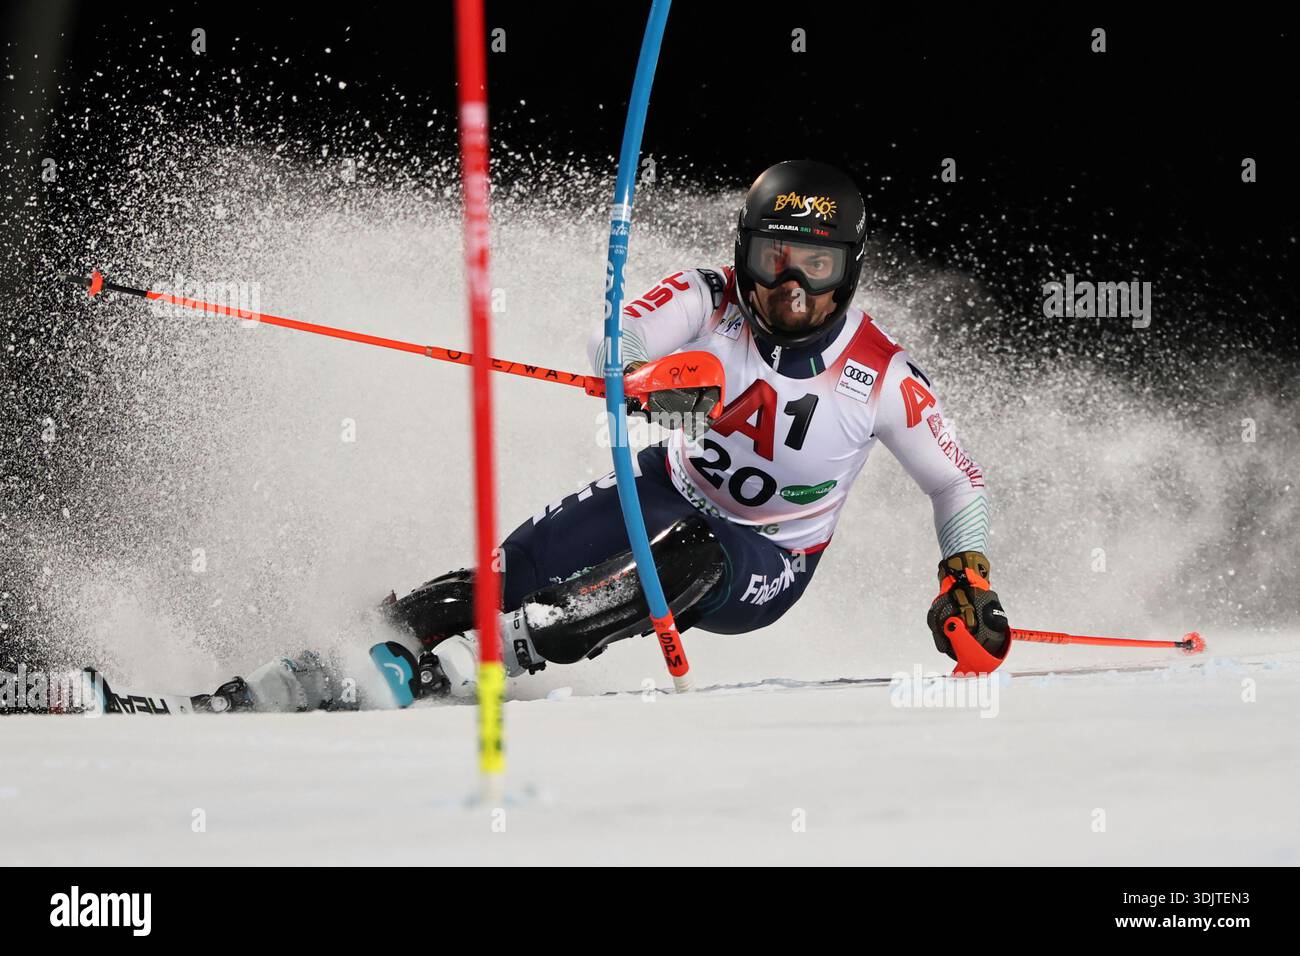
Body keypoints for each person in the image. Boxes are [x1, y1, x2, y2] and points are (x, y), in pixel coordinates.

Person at [207, 160, 1009, 713]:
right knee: (503, 572)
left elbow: (956, 482)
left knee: (690, 557)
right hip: (670, 482)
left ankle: (473, 663)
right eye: (774, 259)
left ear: (851, 269)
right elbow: (614, 335)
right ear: (745, 253)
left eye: (817, 268)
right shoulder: (710, 293)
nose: (791, 289)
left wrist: (963, 576)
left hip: (769, 555)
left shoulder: (883, 374)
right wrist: (642, 376)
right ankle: (310, 665)